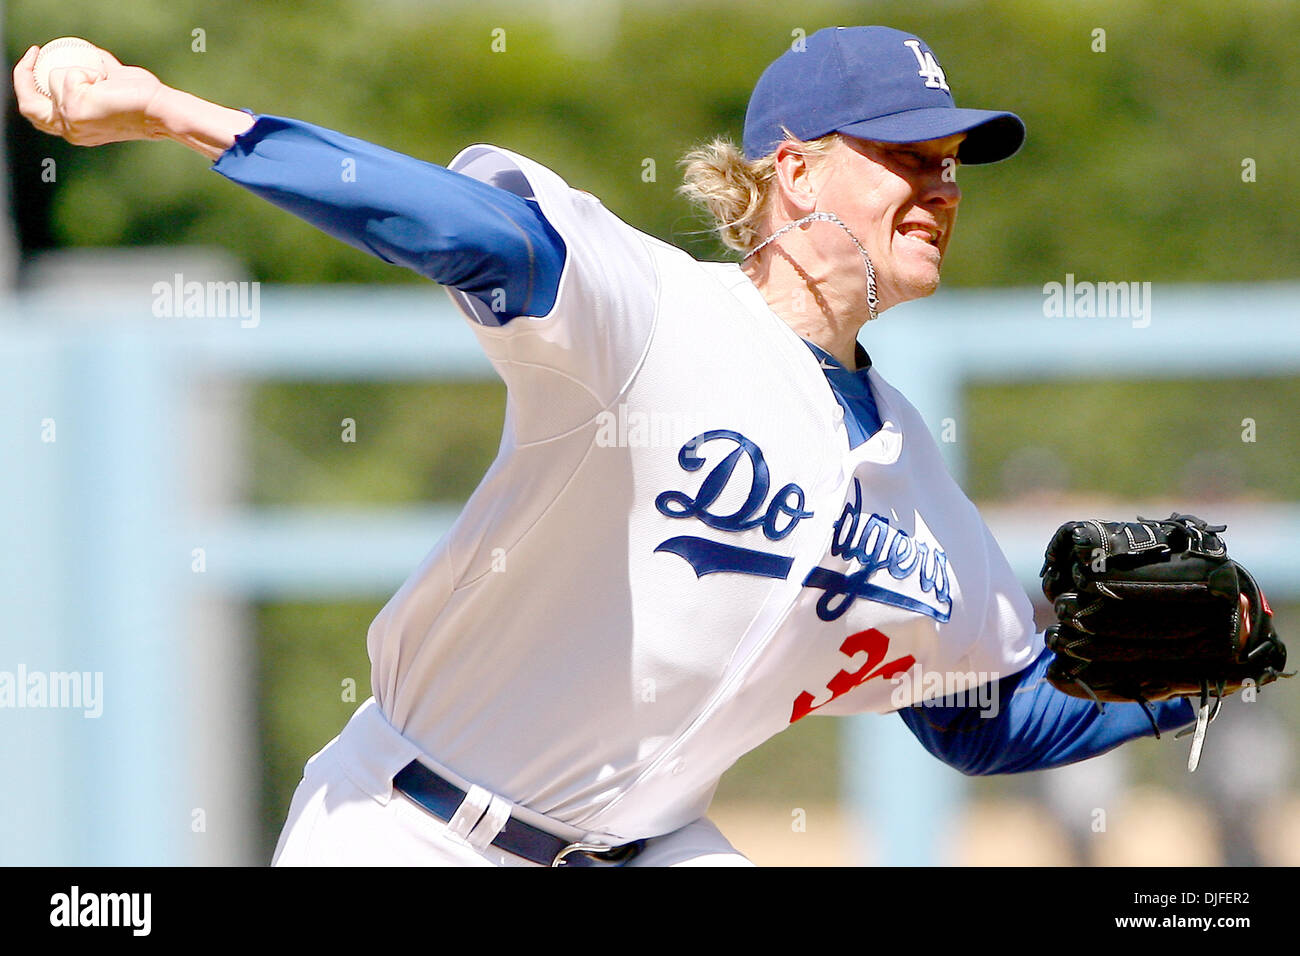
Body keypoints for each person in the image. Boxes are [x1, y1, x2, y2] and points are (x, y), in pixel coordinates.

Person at [15, 25, 1198, 867]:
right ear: (790, 170)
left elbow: (983, 711)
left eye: (950, 164)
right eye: (904, 155)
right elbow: (468, 230)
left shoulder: (921, 493)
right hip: (411, 827)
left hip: (644, 844)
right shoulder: (657, 316)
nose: (940, 186)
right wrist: (185, 117)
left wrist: (1189, 680)